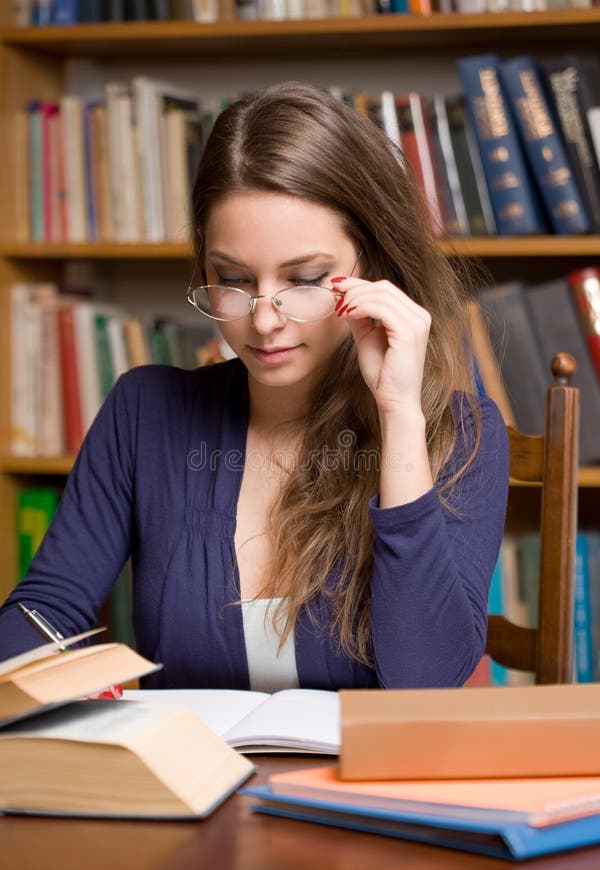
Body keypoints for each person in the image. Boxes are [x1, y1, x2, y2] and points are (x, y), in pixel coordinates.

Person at [0, 82, 509, 690]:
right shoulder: (145, 411)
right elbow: (46, 611)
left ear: (373, 269)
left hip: (360, 760)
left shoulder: (459, 433)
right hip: (193, 756)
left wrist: (399, 414)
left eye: (305, 279)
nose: (264, 321)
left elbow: (426, 683)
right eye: (233, 279)